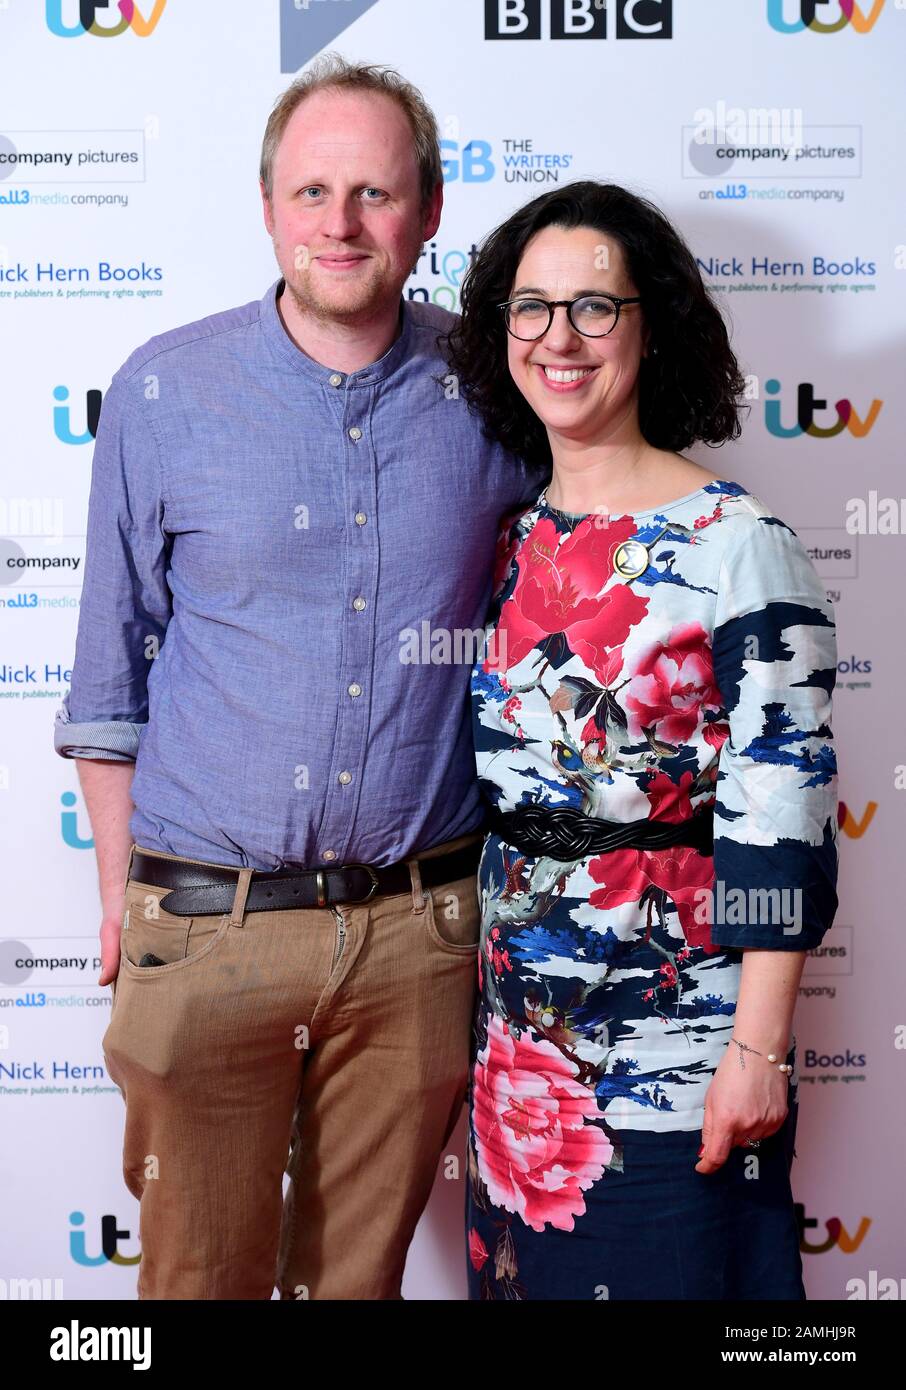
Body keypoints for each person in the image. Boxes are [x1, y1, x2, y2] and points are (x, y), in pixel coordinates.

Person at [53, 55, 545, 1300]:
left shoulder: (499, 390)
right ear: (268, 205)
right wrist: (125, 898)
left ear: (429, 210)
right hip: (206, 931)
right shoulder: (164, 390)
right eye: (312, 190)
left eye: (374, 192)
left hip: (418, 938)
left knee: (356, 1287)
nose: (340, 223)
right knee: (194, 1285)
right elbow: (108, 687)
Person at [444, 181, 839, 1300]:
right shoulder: (517, 534)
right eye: (532, 306)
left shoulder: (737, 542)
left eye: (595, 307)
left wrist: (757, 1050)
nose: (559, 338)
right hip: (520, 1062)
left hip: (682, 1059)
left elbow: (786, 817)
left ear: (650, 325)